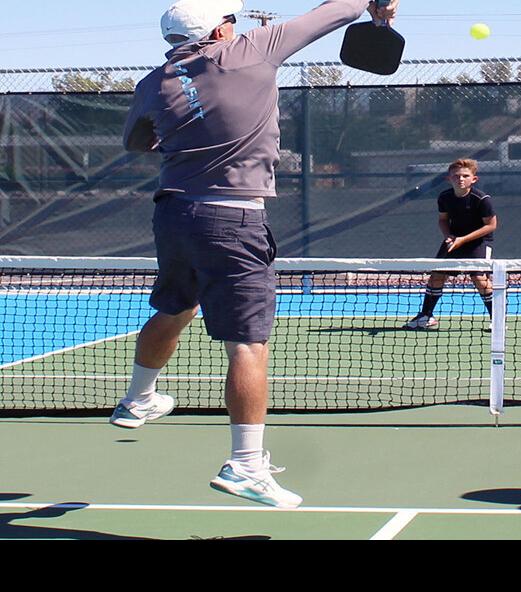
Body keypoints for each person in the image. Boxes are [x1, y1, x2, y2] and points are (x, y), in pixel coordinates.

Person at [113, 0, 397, 509]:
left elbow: (137, 141)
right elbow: (336, 11)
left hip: (173, 213)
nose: (238, 26)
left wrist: (189, 131)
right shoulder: (252, 50)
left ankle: (137, 399)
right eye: (233, 21)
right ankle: (245, 466)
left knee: (177, 306)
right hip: (232, 220)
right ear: (221, 30)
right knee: (248, 344)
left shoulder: (153, 83)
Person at [402, 159, 498, 332]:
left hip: (480, 241)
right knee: (437, 275)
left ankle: (497, 318)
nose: (460, 179)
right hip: (455, 240)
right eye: (456, 176)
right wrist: (448, 236)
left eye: (465, 176)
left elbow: (491, 226)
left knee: (478, 277)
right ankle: (426, 316)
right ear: (449, 179)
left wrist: (463, 239)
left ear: (474, 179)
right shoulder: (444, 197)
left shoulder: (482, 199)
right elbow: (443, 220)